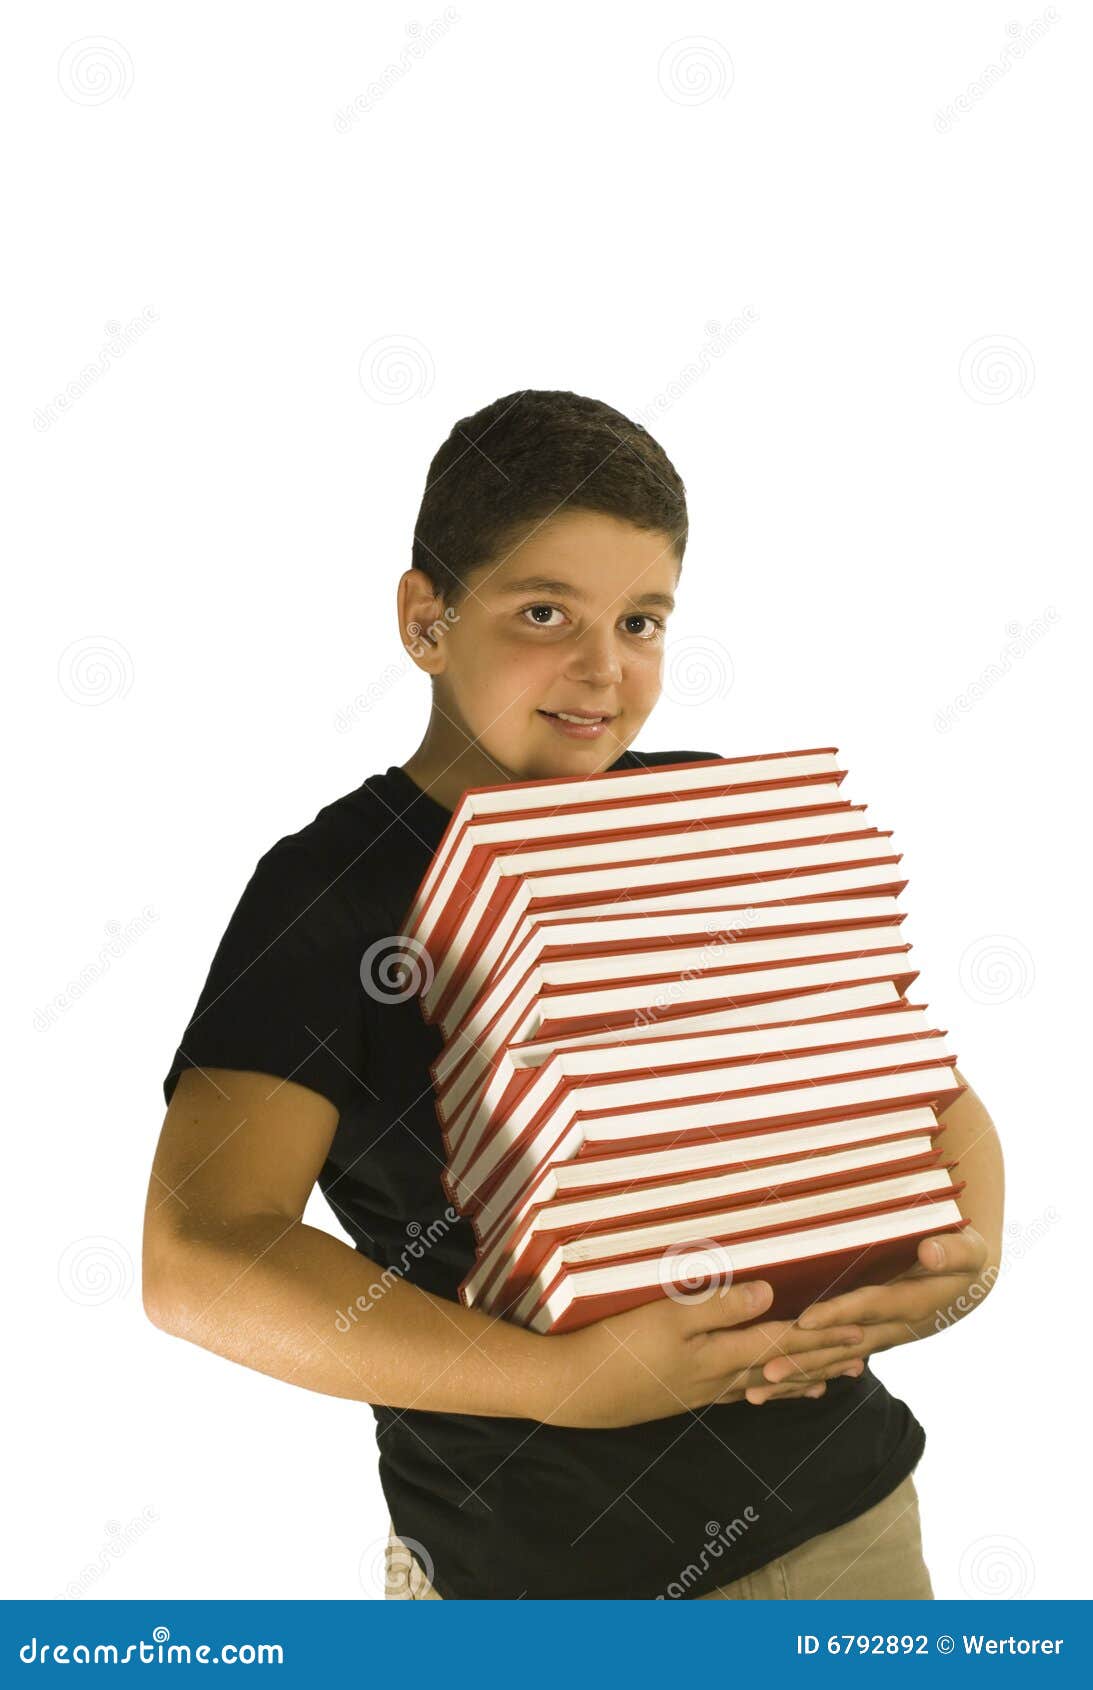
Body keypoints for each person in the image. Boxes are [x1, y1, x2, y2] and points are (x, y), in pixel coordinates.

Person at [142, 389, 1004, 1600]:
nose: (603, 670)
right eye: (544, 612)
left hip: (844, 1529)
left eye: (640, 621)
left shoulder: (710, 819)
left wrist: (962, 1262)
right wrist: (562, 1383)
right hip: (528, 1582)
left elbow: (920, 1097)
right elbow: (199, 1257)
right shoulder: (331, 891)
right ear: (426, 619)